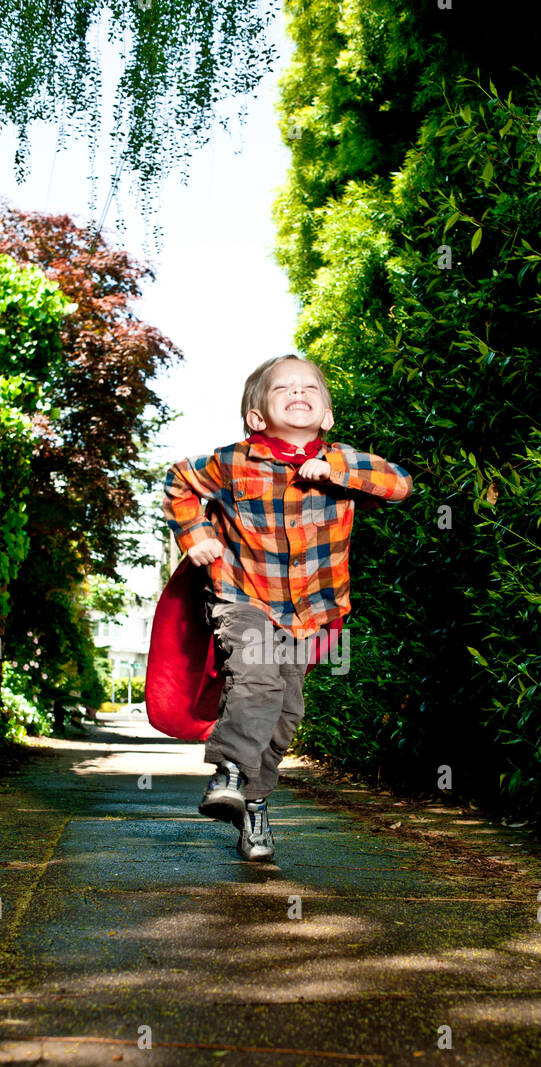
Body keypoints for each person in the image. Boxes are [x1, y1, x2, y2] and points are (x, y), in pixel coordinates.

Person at [162, 354, 413, 862]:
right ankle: (229, 770)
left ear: (326, 415)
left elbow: (399, 484)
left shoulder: (344, 463)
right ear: (257, 417)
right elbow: (180, 482)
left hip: (314, 610)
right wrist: (196, 535)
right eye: (283, 390)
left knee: (285, 712)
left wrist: (336, 469)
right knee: (256, 679)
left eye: (309, 389)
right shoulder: (234, 461)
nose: (298, 393)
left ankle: (253, 803)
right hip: (243, 594)